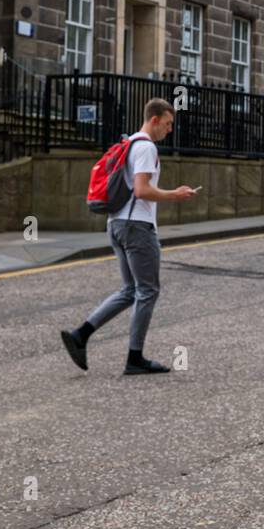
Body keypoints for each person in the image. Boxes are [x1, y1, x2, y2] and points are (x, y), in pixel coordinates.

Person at [60, 98, 197, 375]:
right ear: (154, 120)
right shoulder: (146, 147)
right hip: (137, 227)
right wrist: (175, 195)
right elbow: (142, 190)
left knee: (130, 290)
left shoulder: (129, 143)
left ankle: (80, 335)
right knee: (148, 291)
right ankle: (135, 358)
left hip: (116, 224)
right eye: (168, 124)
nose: (170, 130)